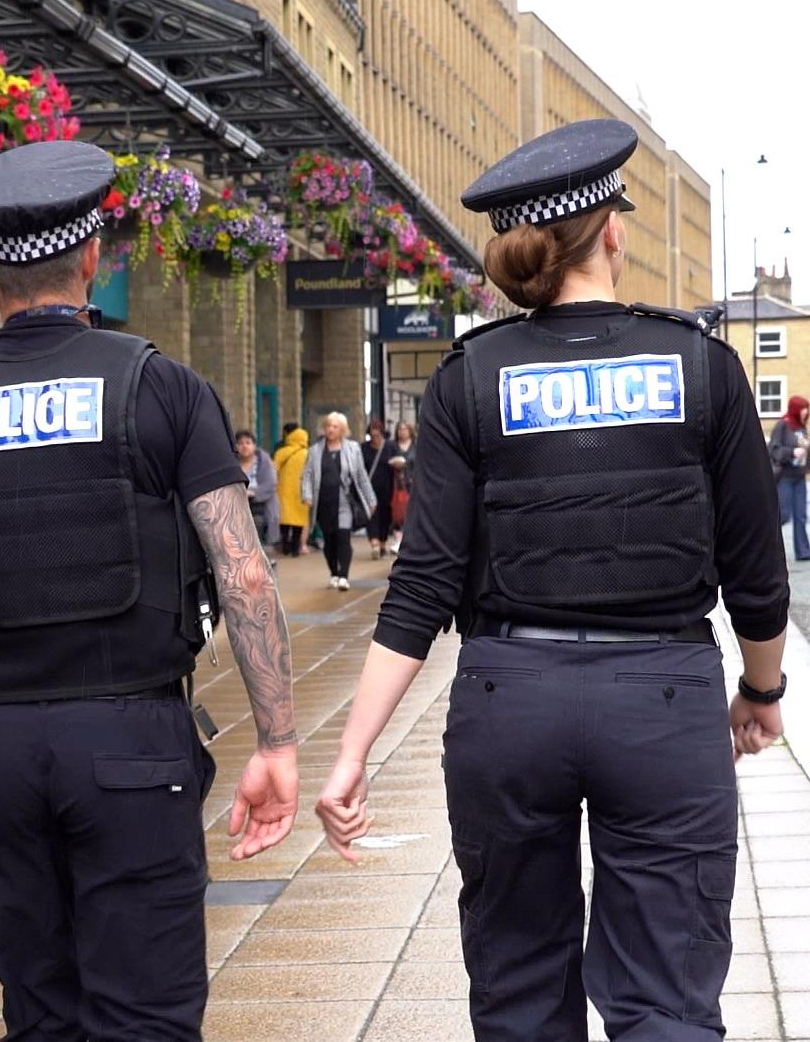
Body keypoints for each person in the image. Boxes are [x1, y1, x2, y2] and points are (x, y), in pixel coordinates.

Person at [315, 119, 789, 1042]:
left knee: (519, 991)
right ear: (610, 230)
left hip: (510, 697)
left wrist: (352, 751)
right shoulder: (702, 365)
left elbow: (423, 584)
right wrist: (761, 689)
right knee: (667, 998)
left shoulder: (467, 380)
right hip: (662, 698)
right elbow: (756, 571)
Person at [0, 141, 298, 1041]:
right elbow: (243, 569)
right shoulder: (160, 387)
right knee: (148, 1017)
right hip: (133, 744)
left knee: (40, 1013)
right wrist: (278, 741)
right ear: (94, 256)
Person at [301, 412, 377, 591]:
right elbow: (307, 475)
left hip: (344, 501)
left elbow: (361, 476)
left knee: (343, 536)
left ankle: (344, 576)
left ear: (342, 429)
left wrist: (370, 499)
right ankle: (334, 573)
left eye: (334, 427)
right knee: (329, 540)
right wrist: (307, 495)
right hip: (324, 502)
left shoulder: (352, 448)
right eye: (328, 426)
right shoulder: (315, 450)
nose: (330, 430)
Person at [769, 395, 810, 561]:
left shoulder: (801, 428)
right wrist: (792, 452)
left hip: (799, 477)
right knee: (783, 514)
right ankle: (768, 548)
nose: (805, 412)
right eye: (802, 408)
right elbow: (774, 449)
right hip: (785, 477)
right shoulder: (782, 425)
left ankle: (803, 551)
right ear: (795, 409)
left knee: (801, 516)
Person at [273, 423, 311, 557]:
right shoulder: (308, 453)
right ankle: (296, 548)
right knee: (299, 522)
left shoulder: (282, 452)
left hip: (283, 490)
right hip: (302, 491)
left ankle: (285, 545)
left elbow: (274, 469)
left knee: (284, 520)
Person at [237, 429, 279, 546]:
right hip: (237, 506)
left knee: (256, 526)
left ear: (254, 445)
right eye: (240, 443)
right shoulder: (232, 463)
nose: (244, 446)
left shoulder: (263, 461)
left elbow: (270, 485)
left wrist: (252, 493)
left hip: (259, 506)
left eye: (248, 443)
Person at [361, 419, 395, 559]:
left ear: (382, 433)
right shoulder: (363, 448)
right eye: (372, 435)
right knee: (372, 514)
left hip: (388, 488)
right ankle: (374, 542)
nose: (375, 437)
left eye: (378, 434)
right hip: (369, 488)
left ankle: (382, 543)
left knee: (385, 516)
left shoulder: (390, 447)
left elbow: (399, 461)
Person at [385, 421, 416, 555]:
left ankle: (408, 541)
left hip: (413, 484)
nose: (402, 431)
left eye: (405, 429)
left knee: (411, 512)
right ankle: (399, 540)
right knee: (398, 513)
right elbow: (387, 460)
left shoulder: (416, 446)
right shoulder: (392, 446)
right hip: (397, 485)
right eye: (400, 429)